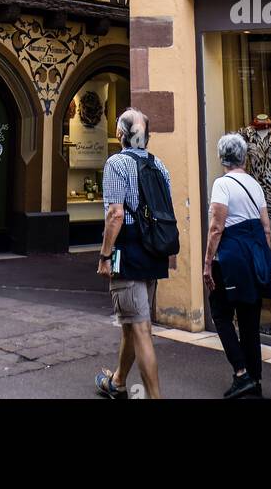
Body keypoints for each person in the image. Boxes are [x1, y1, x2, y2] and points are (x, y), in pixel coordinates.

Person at [94, 108, 169, 399]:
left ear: (120, 135)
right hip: (154, 251)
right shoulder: (159, 165)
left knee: (141, 328)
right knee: (132, 321)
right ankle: (118, 382)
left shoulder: (116, 163)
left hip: (128, 251)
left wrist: (104, 256)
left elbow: (115, 214)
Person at [203, 132, 271, 398]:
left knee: (220, 314)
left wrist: (207, 263)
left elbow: (216, 227)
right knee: (249, 323)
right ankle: (255, 382)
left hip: (231, 260)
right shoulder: (255, 185)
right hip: (254, 258)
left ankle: (241, 373)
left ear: (223, 158)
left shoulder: (222, 185)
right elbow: (266, 228)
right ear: (244, 157)